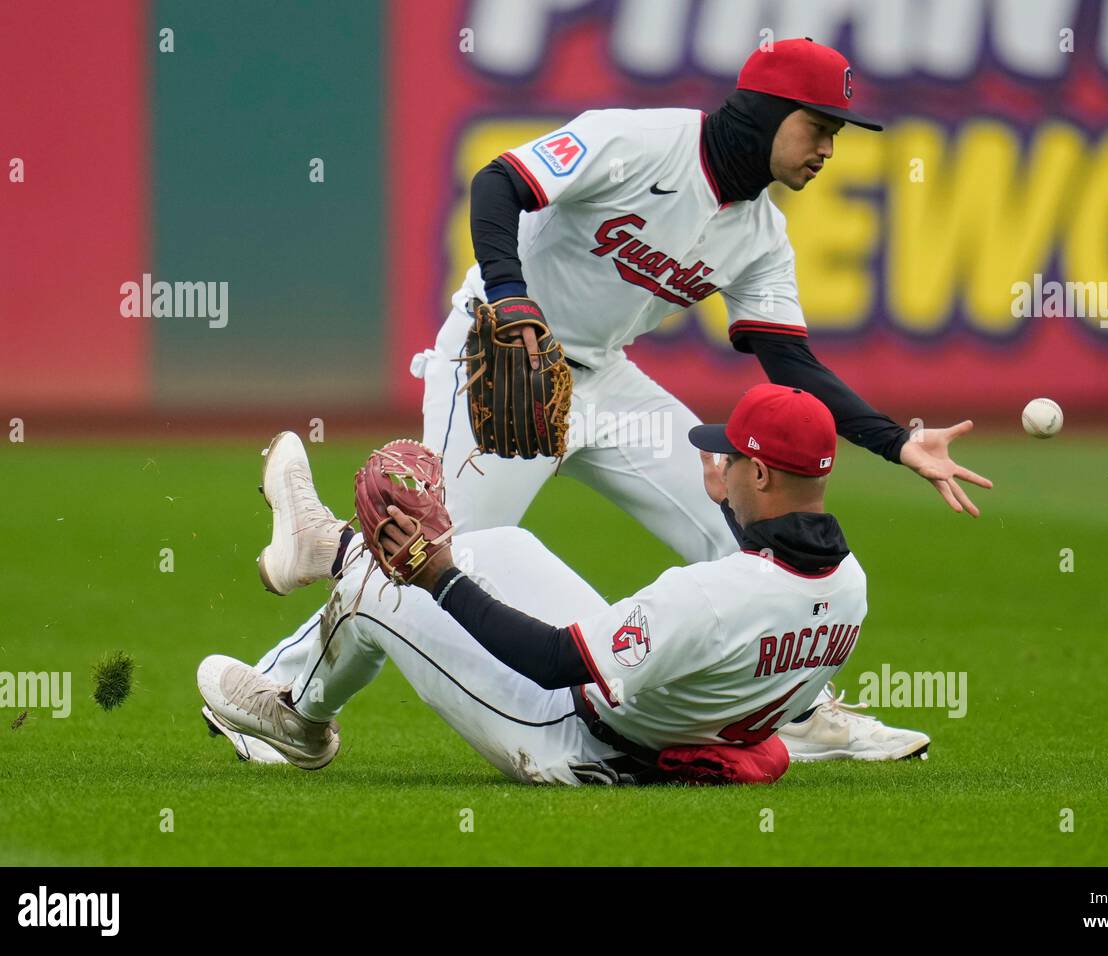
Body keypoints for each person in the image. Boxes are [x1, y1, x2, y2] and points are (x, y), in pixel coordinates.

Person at [249, 37, 991, 759]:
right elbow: (498, 183)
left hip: (603, 379)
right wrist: (509, 296)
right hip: (501, 359)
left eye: (836, 134)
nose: (829, 148)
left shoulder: (760, 234)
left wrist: (898, 442)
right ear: (767, 112)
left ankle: (796, 708)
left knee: (735, 521)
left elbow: (789, 362)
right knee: (432, 556)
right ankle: (286, 693)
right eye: (819, 128)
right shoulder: (640, 143)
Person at [199, 386, 929, 782]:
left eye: (730, 458)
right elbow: (769, 577)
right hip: (679, 721)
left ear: (763, 474)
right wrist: (731, 504)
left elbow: (552, 661)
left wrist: (441, 580)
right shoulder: (849, 586)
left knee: (387, 586)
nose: (719, 465)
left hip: (571, 738)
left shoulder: (708, 598)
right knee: (506, 544)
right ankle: (327, 548)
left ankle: (302, 716)